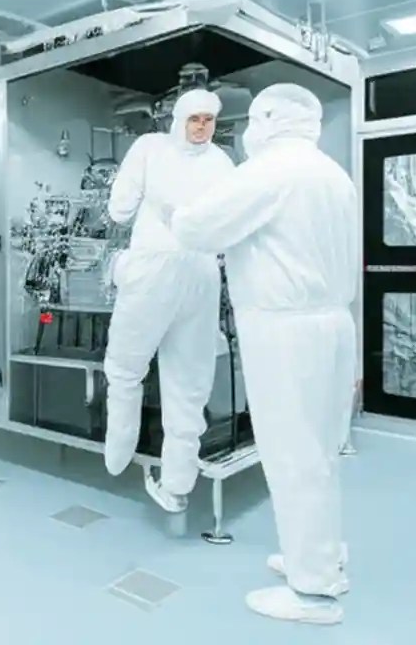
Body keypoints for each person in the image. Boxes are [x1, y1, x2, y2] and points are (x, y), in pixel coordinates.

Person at [158, 83, 359, 625]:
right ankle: (321, 558)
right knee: (320, 451)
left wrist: (170, 210)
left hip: (285, 330)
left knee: (292, 454)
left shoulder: (270, 170)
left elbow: (198, 227)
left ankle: (313, 594)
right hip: (335, 324)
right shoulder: (332, 174)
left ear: (267, 119)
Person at [102, 88, 235, 514]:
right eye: (195, 119)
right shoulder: (223, 163)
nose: (201, 127)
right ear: (179, 119)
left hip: (163, 270)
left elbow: (119, 209)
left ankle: (128, 457)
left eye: (208, 120)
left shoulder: (150, 148)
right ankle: (173, 479)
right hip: (200, 273)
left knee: (133, 368)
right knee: (186, 381)